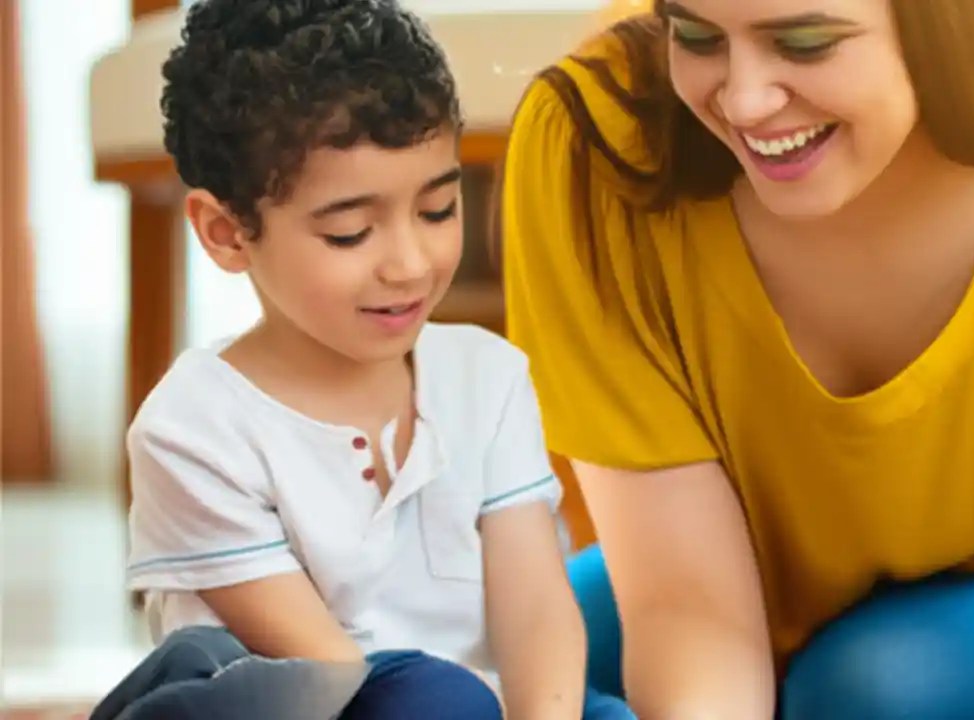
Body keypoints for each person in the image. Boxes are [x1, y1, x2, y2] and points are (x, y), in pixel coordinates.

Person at [500, 0, 974, 717]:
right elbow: (689, 610)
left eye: (805, 44)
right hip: (755, 578)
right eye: (697, 36)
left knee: (880, 690)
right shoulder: (594, 147)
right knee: (495, 659)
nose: (743, 101)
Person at [91, 1, 634, 718]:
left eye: (438, 210)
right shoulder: (192, 427)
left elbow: (536, 608)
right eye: (350, 233)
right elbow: (326, 671)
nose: (410, 265)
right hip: (328, 701)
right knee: (438, 701)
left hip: (481, 704)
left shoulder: (487, 376)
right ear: (226, 234)